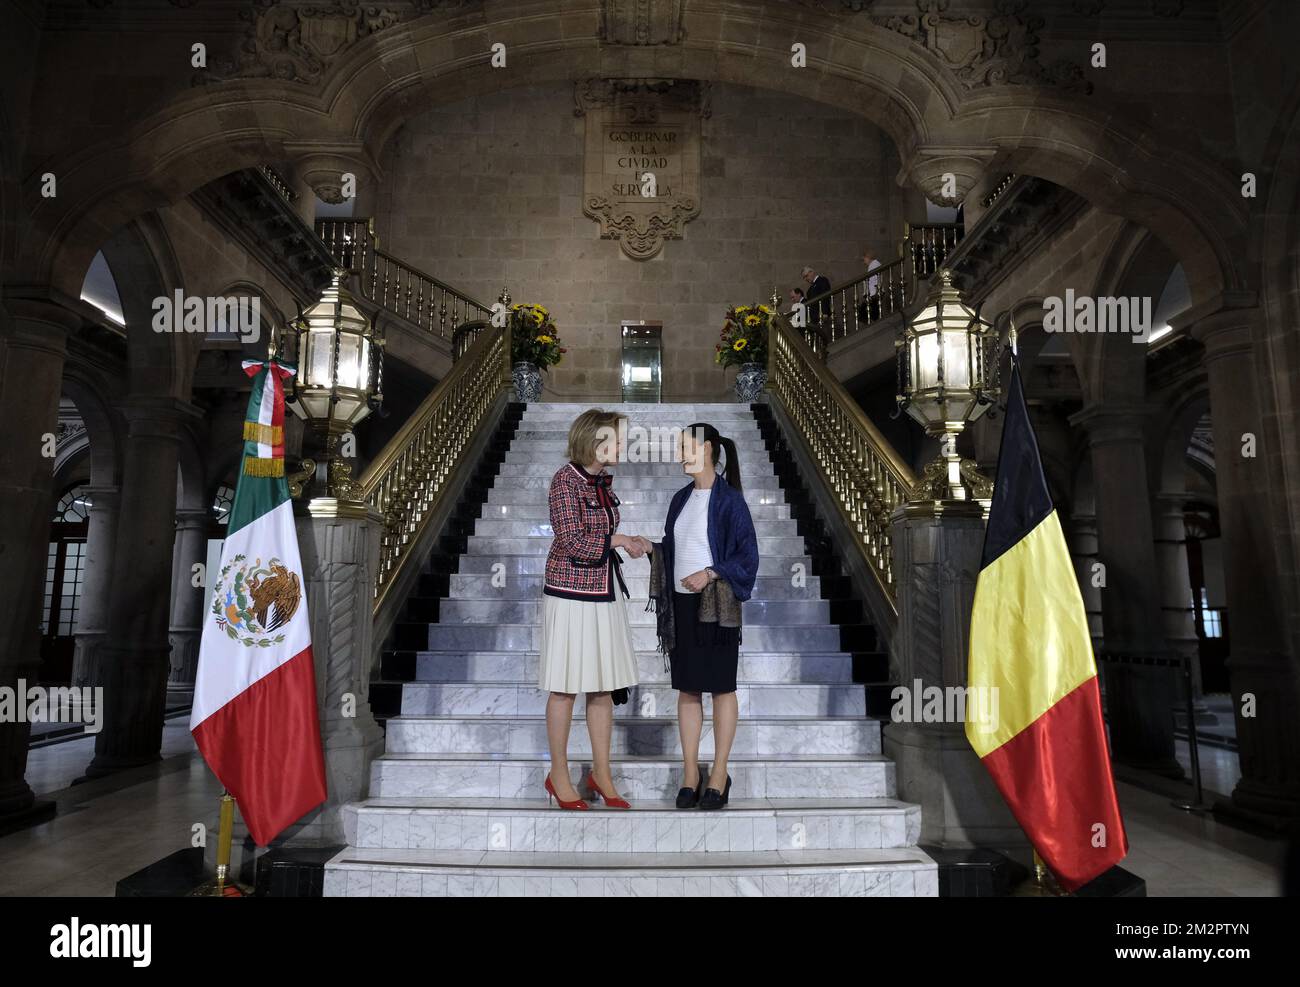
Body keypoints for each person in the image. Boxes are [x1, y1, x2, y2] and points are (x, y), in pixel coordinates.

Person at [642, 422, 758, 811]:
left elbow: (747, 557)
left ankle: (720, 773)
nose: (680, 454)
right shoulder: (679, 499)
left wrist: (710, 573)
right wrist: (651, 549)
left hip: (717, 607)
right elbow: (676, 549)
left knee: (722, 688)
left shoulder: (730, 501)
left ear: (707, 449)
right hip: (682, 606)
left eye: (685, 447)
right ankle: (691, 772)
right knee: (688, 687)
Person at [539, 409, 646, 810]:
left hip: (603, 591)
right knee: (565, 685)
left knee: (602, 685)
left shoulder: (601, 481)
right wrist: (619, 539)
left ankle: (601, 772)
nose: (623, 446)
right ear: (595, 441)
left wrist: (624, 542)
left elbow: (596, 538)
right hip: (570, 592)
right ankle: (559, 774)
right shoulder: (565, 480)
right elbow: (571, 541)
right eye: (618, 439)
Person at [856, 247, 883, 323]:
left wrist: (870, 295)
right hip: (872, 294)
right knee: (868, 314)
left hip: (873, 294)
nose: (864, 261)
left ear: (868, 257)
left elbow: (874, 281)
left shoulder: (874, 265)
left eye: (864, 258)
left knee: (864, 314)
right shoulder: (873, 265)